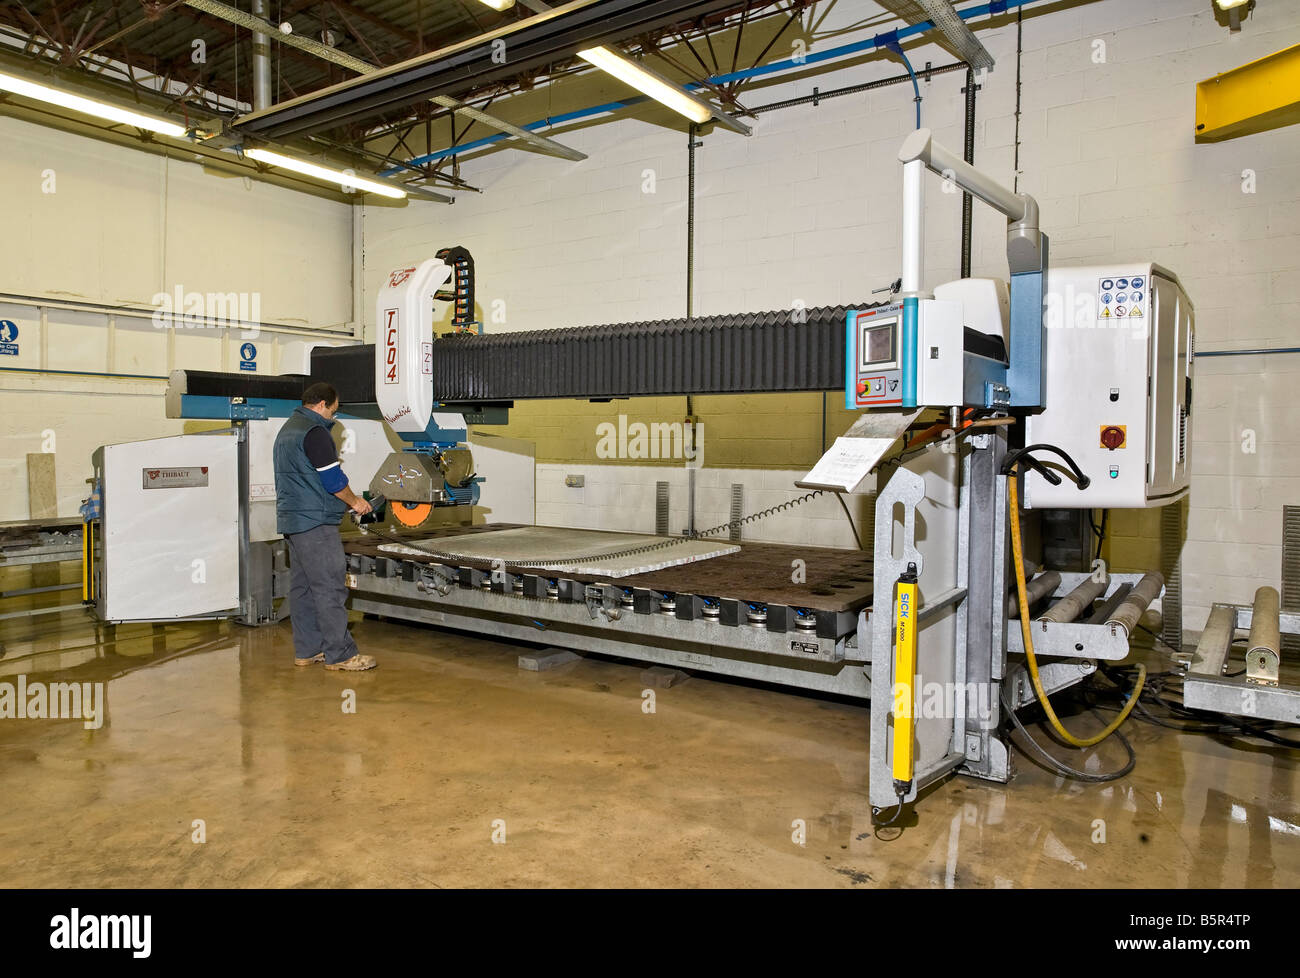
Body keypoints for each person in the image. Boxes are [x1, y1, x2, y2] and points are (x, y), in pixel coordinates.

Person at [273, 382, 377, 671]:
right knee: (330, 586)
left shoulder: (287, 430)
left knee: (303, 587)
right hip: (316, 522)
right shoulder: (315, 432)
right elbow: (332, 480)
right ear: (321, 405)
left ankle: (308, 650)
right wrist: (356, 502)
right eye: (334, 409)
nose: (334, 415)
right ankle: (341, 654)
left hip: (294, 520)